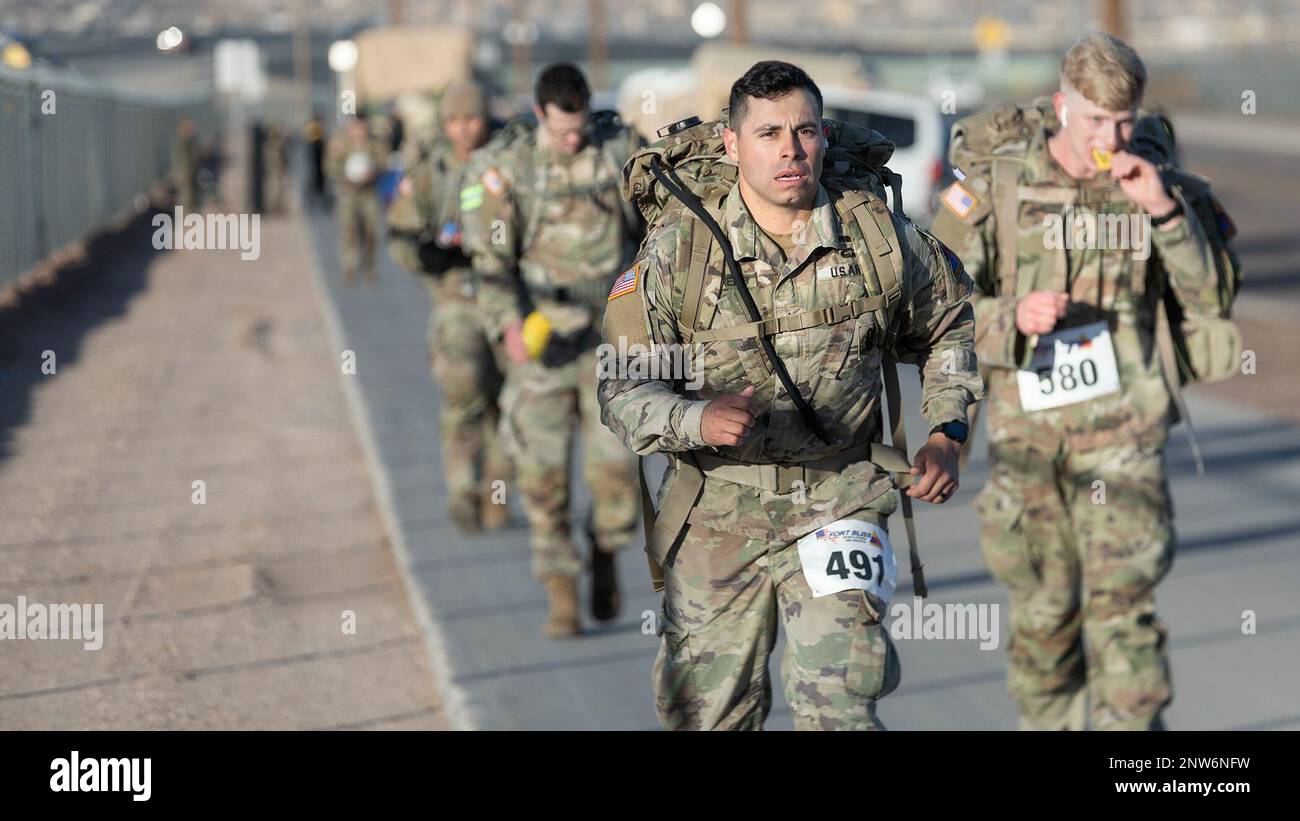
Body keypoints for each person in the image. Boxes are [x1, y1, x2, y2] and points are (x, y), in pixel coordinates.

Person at [598, 60, 984, 730]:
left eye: (804, 131)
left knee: (839, 707)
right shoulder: (679, 249)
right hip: (717, 509)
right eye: (769, 132)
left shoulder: (875, 235)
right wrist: (695, 418)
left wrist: (948, 430)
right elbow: (621, 384)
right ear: (731, 143)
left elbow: (950, 324)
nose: (790, 149)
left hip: (841, 498)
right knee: (709, 715)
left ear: (824, 137)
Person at [930, 32, 1234, 730]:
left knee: (1125, 616)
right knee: (1045, 623)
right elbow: (932, 308)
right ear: (1064, 104)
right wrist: (1011, 313)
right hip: (1027, 441)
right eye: (1096, 119)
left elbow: (1212, 295)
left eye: (1124, 121)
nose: (1112, 136)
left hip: (1123, 434)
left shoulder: (1152, 180)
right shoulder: (996, 184)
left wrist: (1162, 211)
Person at [460, 64, 645, 638]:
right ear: (539, 113)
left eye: (580, 124)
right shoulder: (508, 169)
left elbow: (659, 233)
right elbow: (490, 263)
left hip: (609, 339)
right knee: (541, 476)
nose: (573, 138)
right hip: (541, 338)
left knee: (616, 469)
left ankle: (607, 547)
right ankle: (561, 590)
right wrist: (508, 324)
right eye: (563, 128)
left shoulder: (618, 151)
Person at [387, 80, 512, 534]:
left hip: (509, 297)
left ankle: (497, 491)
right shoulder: (429, 172)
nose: (464, 130)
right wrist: (425, 257)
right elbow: (400, 235)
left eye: (472, 119)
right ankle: (463, 488)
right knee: (462, 393)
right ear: (444, 124)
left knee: (510, 403)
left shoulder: (510, 162)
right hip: (456, 300)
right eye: (455, 121)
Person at [326, 117, 386, 284]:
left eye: (362, 128)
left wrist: (373, 173)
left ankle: (369, 266)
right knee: (348, 230)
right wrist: (344, 177)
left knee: (371, 231)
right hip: (348, 194)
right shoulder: (341, 144)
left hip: (369, 193)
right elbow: (330, 166)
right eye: (356, 128)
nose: (359, 132)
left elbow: (383, 164)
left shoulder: (375, 145)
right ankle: (349, 265)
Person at [171, 118, 200, 213]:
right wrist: (180, 172)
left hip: (188, 171)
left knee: (189, 194)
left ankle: (189, 212)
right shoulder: (180, 143)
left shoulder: (189, 142)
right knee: (185, 195)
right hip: (183, 172)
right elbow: (179, 159)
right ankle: (185, 214)